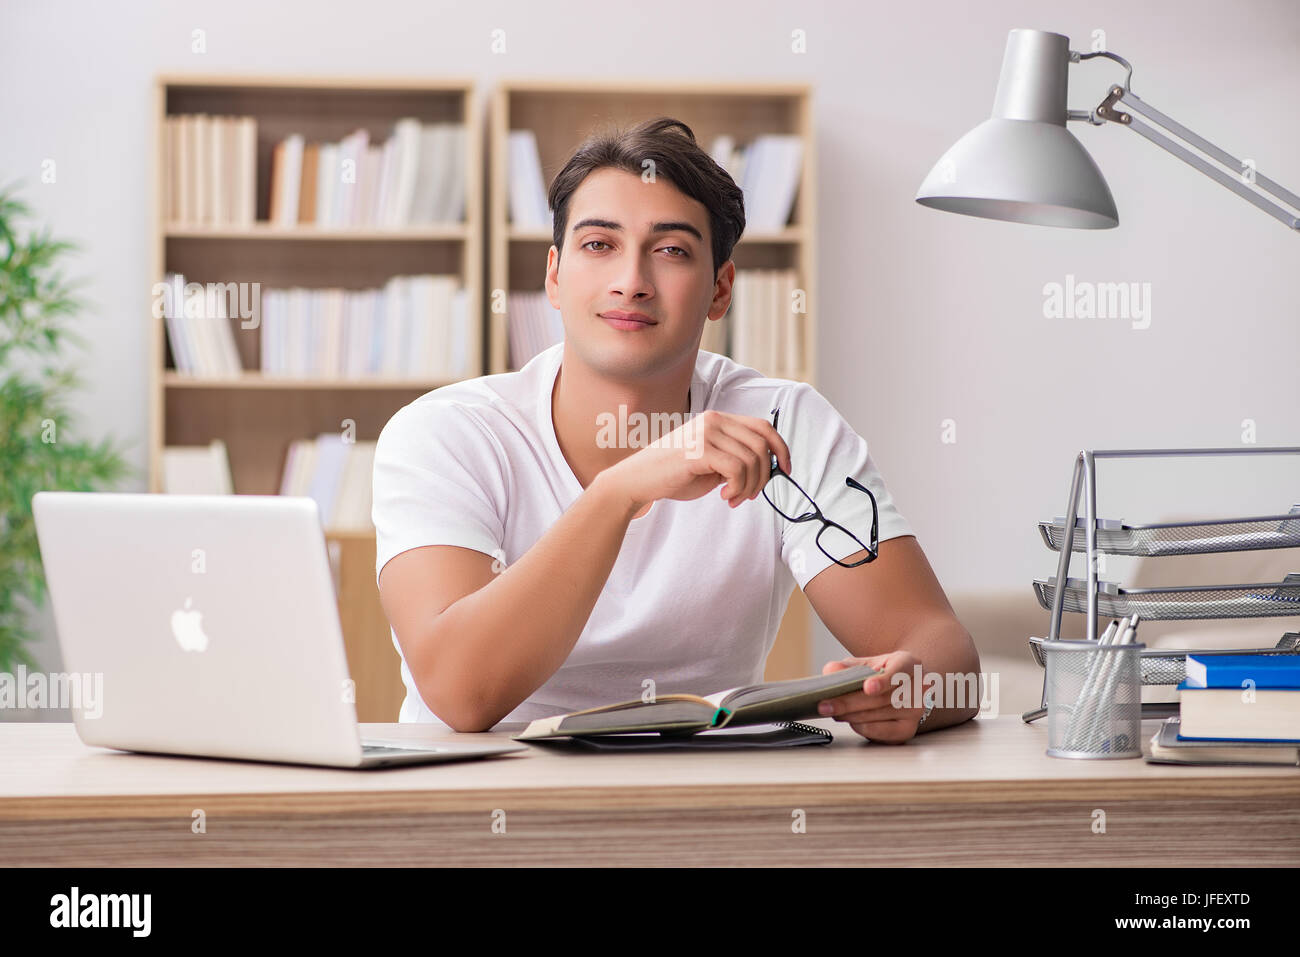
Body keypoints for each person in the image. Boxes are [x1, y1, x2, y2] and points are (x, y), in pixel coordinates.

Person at [373, 116, 979, 741]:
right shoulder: (447, 434)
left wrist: (912, 688)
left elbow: (943, 652)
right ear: (554, 276)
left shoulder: (782, 423)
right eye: (598, 245)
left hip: (706, 798)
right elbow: (460, 692)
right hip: (479, 803)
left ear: (721, 289)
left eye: (670, 251)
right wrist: (620, 492)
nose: (631, 282)